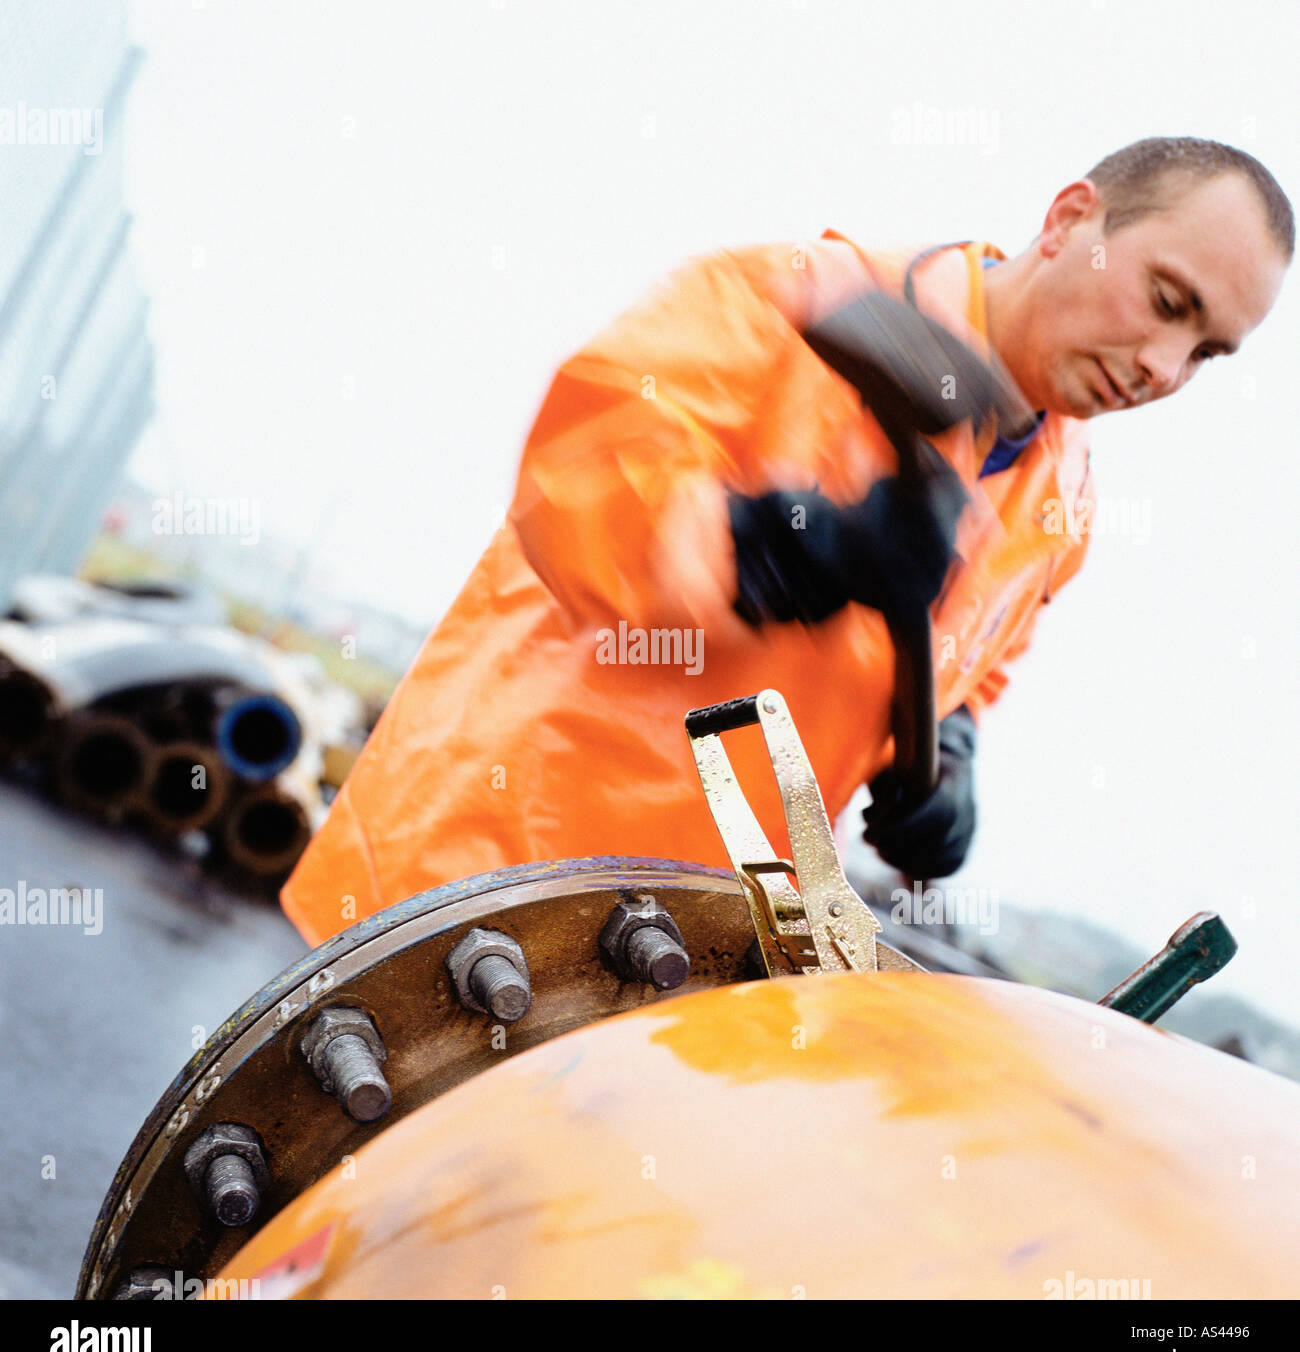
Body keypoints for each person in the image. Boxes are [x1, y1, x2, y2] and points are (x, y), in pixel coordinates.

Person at [282, 136, 1292, 948]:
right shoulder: (796, 299)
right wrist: (784, 550)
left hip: (681, 943)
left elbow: (979, 667)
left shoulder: (1061, 505)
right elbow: (579, 480)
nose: (1163, 367)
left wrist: (951, 747)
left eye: (1206, 352)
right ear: (1071, 219)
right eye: (1167, 300)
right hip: (486, 867)